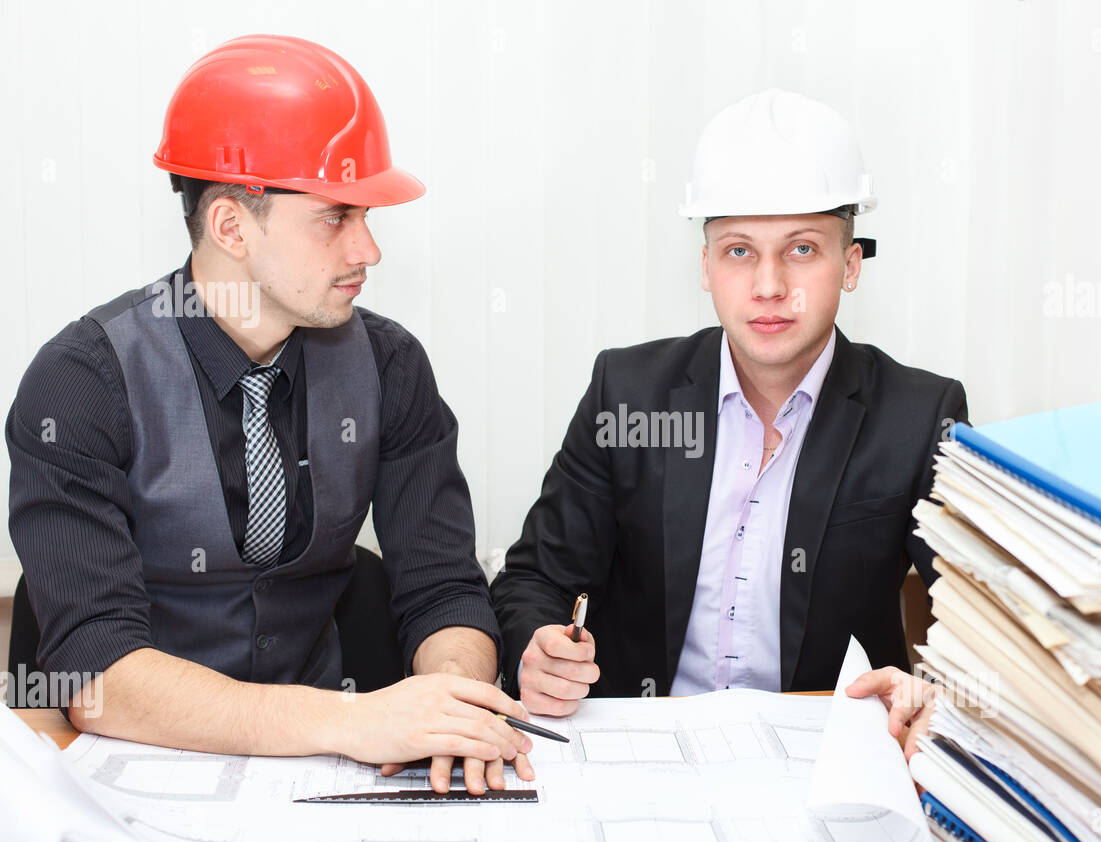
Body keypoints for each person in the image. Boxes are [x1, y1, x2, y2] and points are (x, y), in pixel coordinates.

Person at [6, 35, 531, 793]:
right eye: (336, 217)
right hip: (134, 770)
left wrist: (454, 703)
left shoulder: (390, 366)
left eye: (366, 216)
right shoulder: (81, 384)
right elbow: (95, 672)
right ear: (231, 227)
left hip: (317, 771)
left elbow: (442, 588)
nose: (369, 249)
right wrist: (350, 721)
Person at [491, 90, 968, 758]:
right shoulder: (628, 395)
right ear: (706, 267)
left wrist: (936, 695)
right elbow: (533, 581)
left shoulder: (919, 416)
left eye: (802, 249)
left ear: (851, 265)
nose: (769, 286)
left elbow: (995, 632)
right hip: (641, 754)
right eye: (740, 251)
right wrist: (536, 647)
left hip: (826, 758)